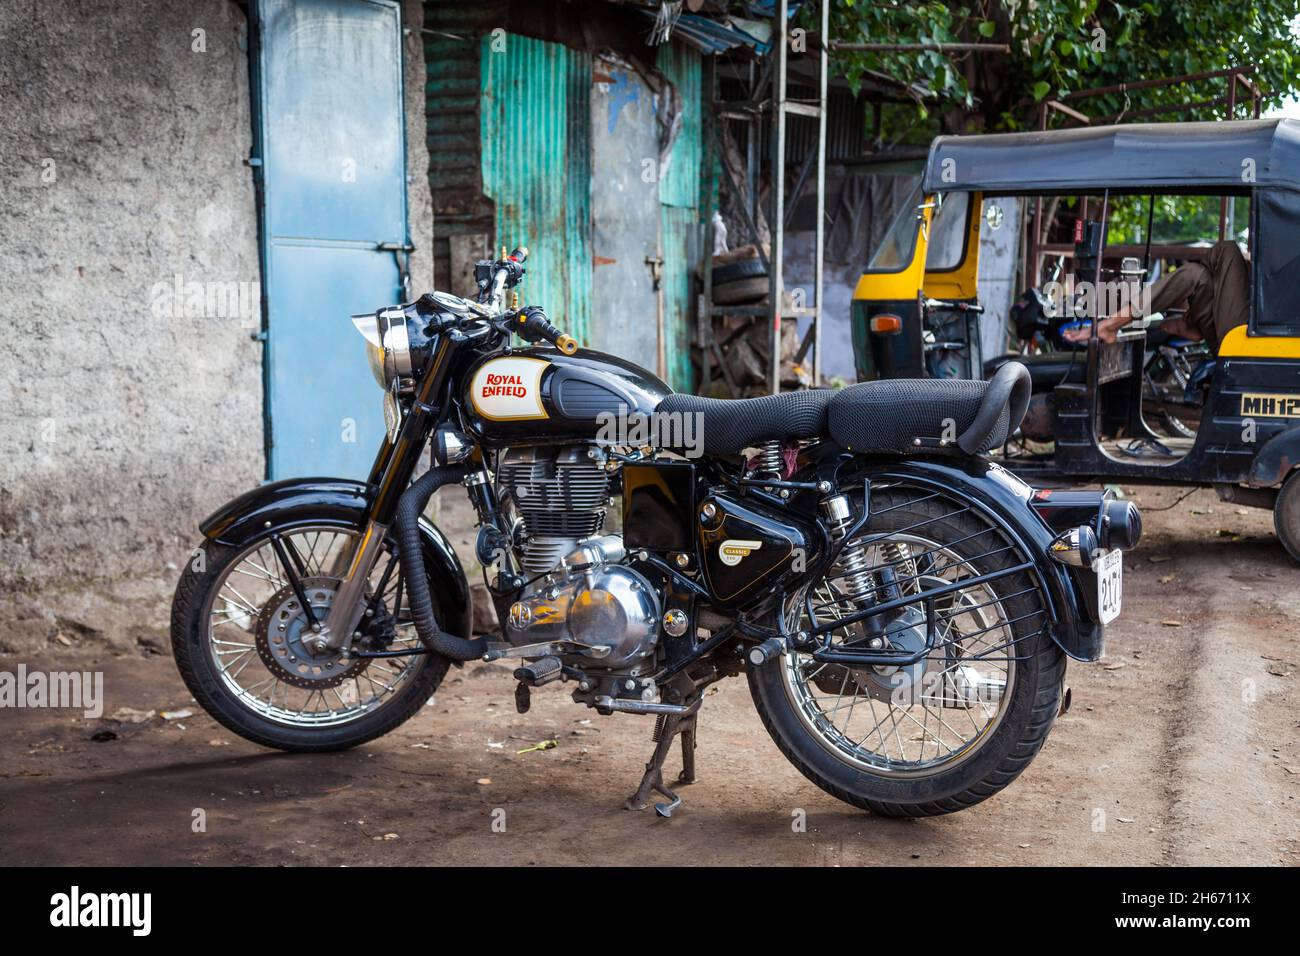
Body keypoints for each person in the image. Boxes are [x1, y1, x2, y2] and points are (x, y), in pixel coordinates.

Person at [1064, 239, 1249, 350]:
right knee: (1197, 274)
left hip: (1242, 345)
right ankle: (1112, 323)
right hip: (1242, 332)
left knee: (1227, 250)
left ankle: (1111, 324)